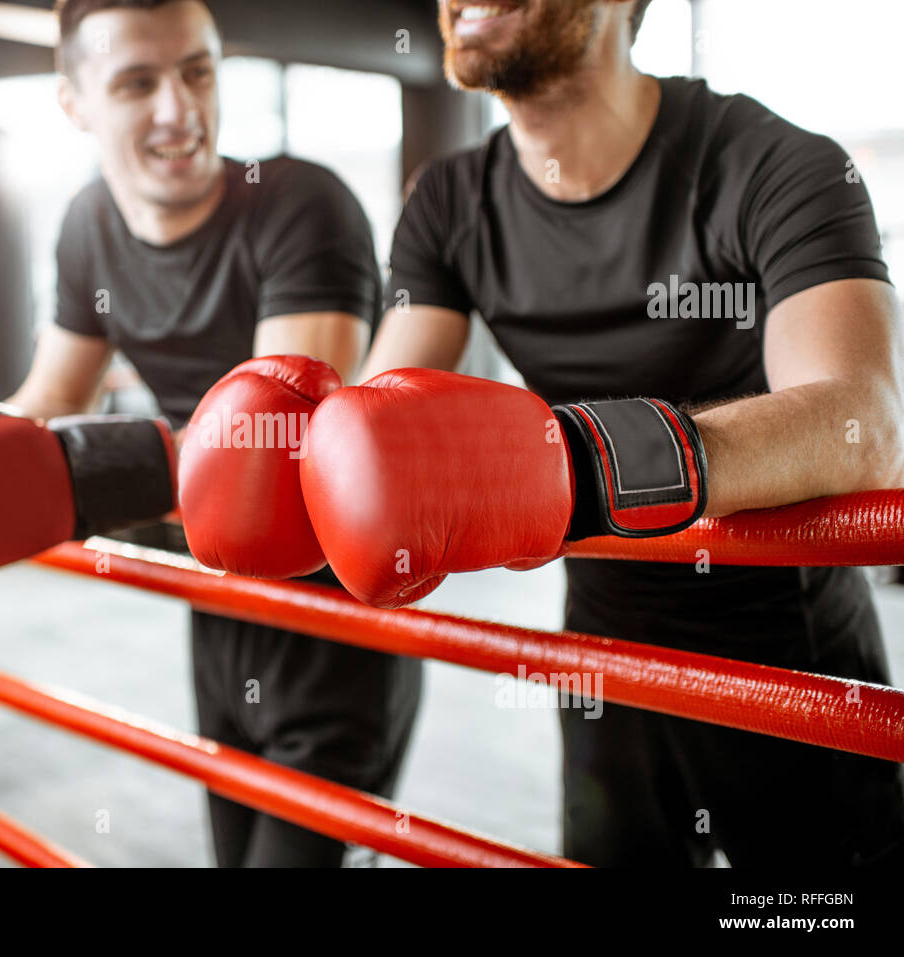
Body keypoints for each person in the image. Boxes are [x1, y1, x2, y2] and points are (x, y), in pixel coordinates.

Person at [329, 0, 904, 866]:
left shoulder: (772, 162)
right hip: (602, 648)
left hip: (787, 653)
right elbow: (376, 426)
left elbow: (864, 422)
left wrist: (579, 467)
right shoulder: (447, 202)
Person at [2, 0, 423, 867]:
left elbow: (271, 455)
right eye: (136, 82)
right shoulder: (90, 225)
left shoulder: (301, 205)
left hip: (333, 617)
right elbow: (44, 399)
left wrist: (92, 474)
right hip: (217, 606)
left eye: (197, 70)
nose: (178, 108)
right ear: (74, 104)